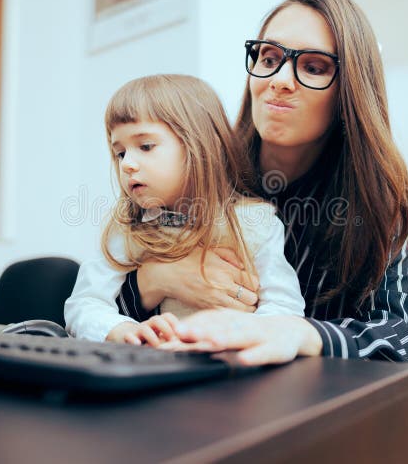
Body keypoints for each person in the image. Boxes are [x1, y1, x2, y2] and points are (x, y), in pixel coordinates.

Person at [115, 0, 408, 365]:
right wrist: (156, 281)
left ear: (349, 91)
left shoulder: (374, 197)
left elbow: (403, 341)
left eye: (313, 67)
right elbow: (100, 308)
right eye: (269, 58)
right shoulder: (198, 172)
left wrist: (296, 332)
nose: (279, 80)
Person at [64, 74, 305, 344]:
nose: (127, 164)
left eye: (145, 146)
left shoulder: (256, 223)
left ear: (199, 146)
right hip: (156, 364)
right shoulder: (127, 229)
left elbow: (285, 308)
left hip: (230, 364)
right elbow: (84, 304)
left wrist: (243, 336)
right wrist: (120, 329)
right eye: (120, 153)